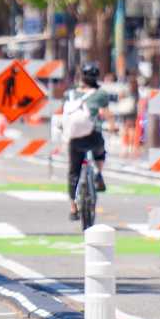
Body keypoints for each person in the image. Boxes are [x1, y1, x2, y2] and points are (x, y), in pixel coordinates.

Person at [62, 63, 114, 219]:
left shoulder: (70, 94)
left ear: (81, 77)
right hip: (92, 135)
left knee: (73, 172)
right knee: (100, 151)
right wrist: (112, 126)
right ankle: (98, 172)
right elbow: (105, 113)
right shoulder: (101, 94)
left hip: (74, 138)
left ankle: (73, 207)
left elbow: (64, 113)